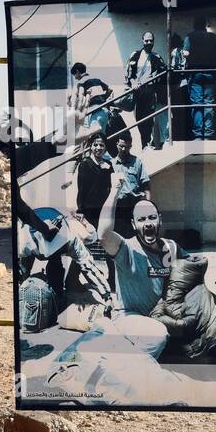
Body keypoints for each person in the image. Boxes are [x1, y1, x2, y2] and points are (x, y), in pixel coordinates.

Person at [99, 179, 185, 318]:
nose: (148, 223)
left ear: (160, 220)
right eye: (141, 219)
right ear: (133, 224)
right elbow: (104, 235)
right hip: (133, 318)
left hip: (164, 315)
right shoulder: (127, 250)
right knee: (159, 334)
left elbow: (194, 270)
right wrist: (115, 190)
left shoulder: (170, 247)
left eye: (152, 218)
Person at [126, 30, 168, 150]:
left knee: (150, 118)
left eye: (151, 41)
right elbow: (128, 72)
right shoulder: (135, 55)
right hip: (137, 91)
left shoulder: (157, 57)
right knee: (139, 117)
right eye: (146, 40)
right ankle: (144, 143)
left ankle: (149, 143)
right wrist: (133, 83)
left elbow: (163, 73)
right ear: (142, 41)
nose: (149, 43)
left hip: (150, 91)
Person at [183, 15, 216, 140]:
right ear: (205, 25)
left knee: (197, 104)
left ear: (194, 25)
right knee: (208, 104)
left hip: (195, 74)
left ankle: (199, 135)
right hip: (210, 73)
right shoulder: (213, 37)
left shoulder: (189, 37)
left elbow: (186, 54)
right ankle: (209, 134)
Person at [111, 133, 150, 238]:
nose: (123, 149)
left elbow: (146, 185)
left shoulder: (137, 162)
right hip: (118, 206)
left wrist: (148, 206)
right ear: (117, 144)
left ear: (130, 146)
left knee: (137, 236)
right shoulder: (112, 164)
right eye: (121, 146)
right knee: (120, 237)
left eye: (127, 147)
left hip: (134, 205)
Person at [75, 133, 113, 231]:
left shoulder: (108, 165)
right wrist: (80, 210)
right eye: (95, 145)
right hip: (89, 208)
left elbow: (110, 186)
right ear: (91, 146)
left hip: (104, 208)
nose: (98, 148)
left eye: (101, 145)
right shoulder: (85, 164)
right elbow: (81, 189)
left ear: (105, 148)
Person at [69, 62, 112, 137]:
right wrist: (103, 98)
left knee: (93, 137)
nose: (75, 78)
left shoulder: (82, 82)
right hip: (104, 109)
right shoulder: (97, 80)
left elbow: (81, 97)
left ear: (77, 72)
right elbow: (110, 89)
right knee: (101, 137)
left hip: (94, 110)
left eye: (75, 75)